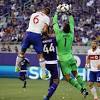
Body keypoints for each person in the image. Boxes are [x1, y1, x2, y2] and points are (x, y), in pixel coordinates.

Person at [53, 10, 88, 97]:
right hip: (71, 57)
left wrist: (57, 13)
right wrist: (69, 14)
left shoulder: (59, 34)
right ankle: (84, 87)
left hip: (63, 60)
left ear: (63, 28)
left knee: (68, 78)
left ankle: (81, 90)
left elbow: (54, 23)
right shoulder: (71, 34)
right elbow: (72, 23)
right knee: (76, 74)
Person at [16, 7, 50, 77]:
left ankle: (16, 67)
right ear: (48, 13)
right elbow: (45, 30)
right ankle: (43, 74)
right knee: (40, 55)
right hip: (36, 35)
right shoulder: (47, 18)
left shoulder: (34, 14)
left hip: (28, 34)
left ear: (42, 10)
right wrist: (46, 35)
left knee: (22, 52)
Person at [42, 28, 59, 100]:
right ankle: (48, 96)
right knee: (56, 81)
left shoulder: (40, 41)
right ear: (49, 32)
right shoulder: (53, 39)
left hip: (46, 63)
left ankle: (49, 89)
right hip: (53, 62)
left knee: (52, 76)